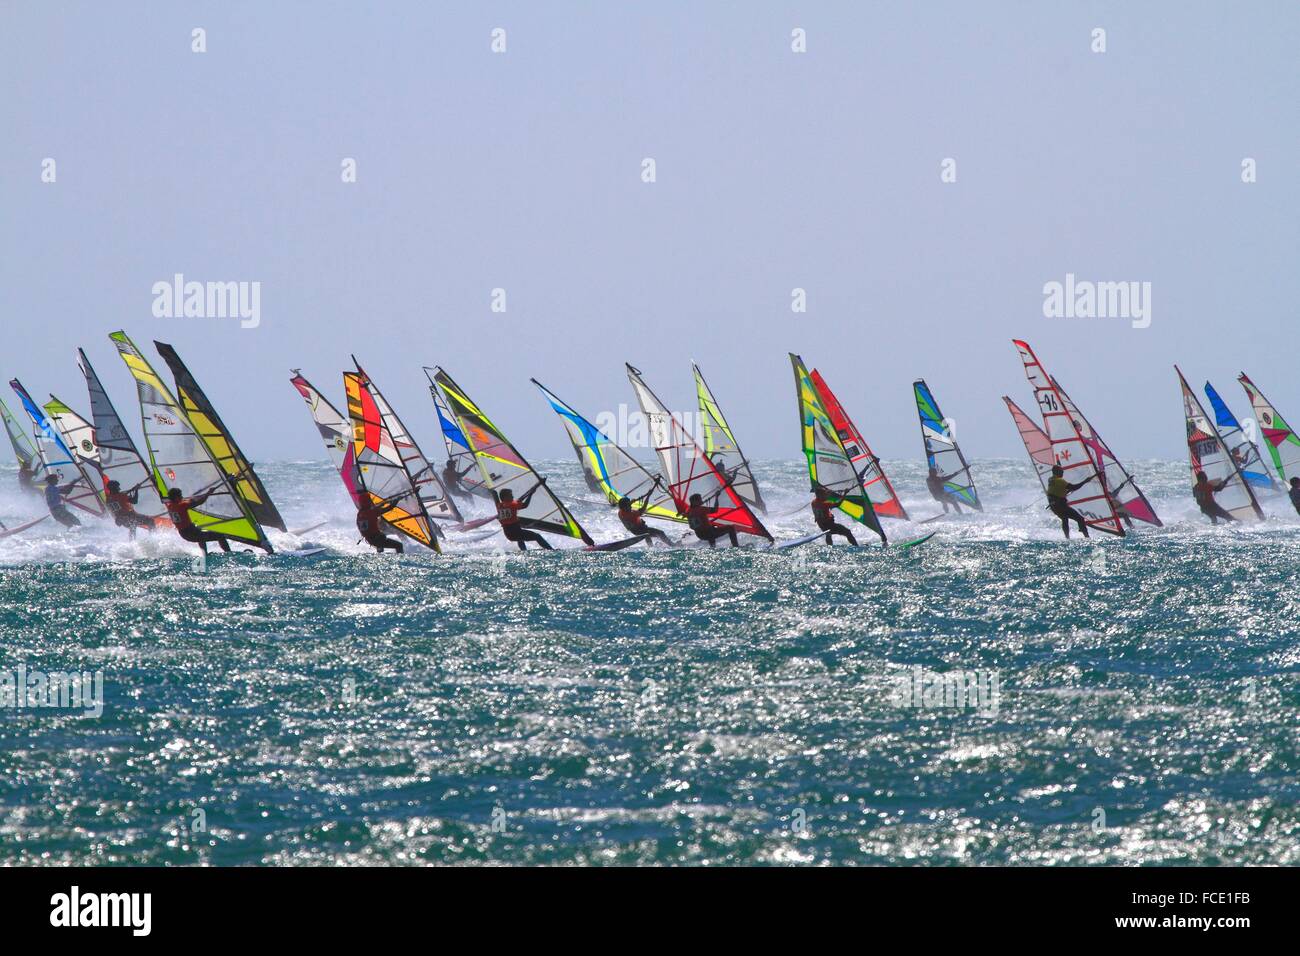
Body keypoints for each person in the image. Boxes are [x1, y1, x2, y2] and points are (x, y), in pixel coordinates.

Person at [165, 486, 232, 553]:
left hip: (185, 533)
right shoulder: (181, 506)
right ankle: (229, 553)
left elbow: (187, 501)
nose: (182, 497)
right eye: (180, 496)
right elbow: (200, 502)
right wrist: (209, 492)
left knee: (200, 533)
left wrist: (192, 498)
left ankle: (205, 555)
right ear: (176, 497)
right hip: (191, 533)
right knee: (220, 536)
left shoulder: (170, 506)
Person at [495, 486, 553, 551]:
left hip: (508, 534)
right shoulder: (512, 504)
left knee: (520, 537)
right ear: (505, 497)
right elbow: (525, 505)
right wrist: (530, 494)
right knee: (537, 536)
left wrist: (493, 491)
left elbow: (496, 497)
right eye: (510, 495)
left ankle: (524, 551)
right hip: (516, 532)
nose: (513, 497)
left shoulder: (499, 506)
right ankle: (551, 550)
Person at [1046, 465, 1090, 538]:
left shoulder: (1050, 479)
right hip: (1060, 505)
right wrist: (1085, 481)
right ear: (1057, 472)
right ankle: (1087, 537)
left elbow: (1056, 491)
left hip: (1054, 506)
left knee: (1064, 518)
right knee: (1080, 519)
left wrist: (1065, 491)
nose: (1063, 473)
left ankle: (1067, 538)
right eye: (1061, 471)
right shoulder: (1060, 480)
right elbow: (1074, 487)